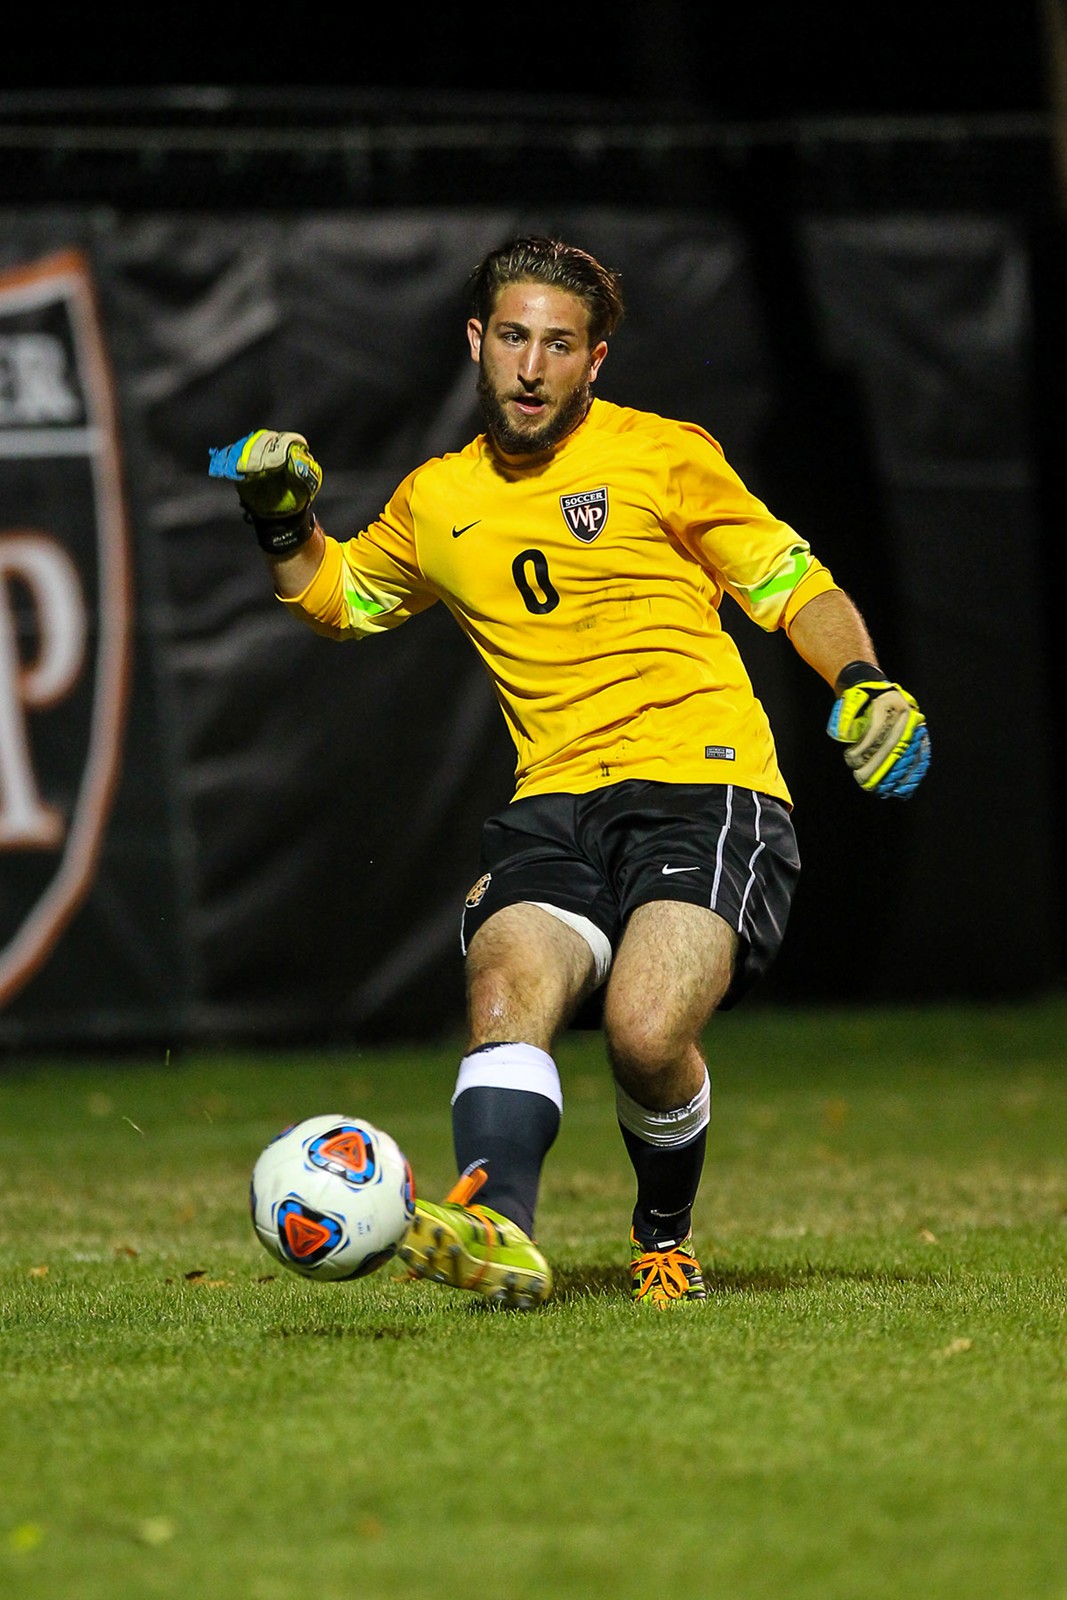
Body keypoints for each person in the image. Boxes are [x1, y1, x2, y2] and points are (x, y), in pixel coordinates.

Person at [208, 235, 929, 1310]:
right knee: (502, 988)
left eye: (558, 345)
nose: (531, 367)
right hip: (552, 802)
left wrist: (862, 678)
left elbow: (790, 582)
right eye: (512, 338)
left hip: (705, 782)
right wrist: (280, 520)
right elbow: (345, 599)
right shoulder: (438, 496)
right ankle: (499, 1229)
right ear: (475, 343)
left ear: (594, 362)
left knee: (645, 1036)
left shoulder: (662, 455)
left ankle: (661, 1232)